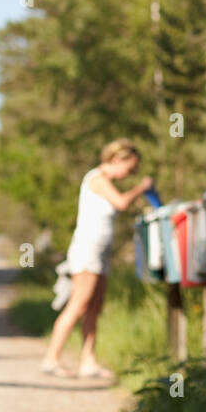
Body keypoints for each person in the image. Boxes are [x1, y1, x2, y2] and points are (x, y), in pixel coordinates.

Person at [40, 139, 153, 380]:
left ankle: (88, 361)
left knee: (95, 307)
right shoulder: (98, 179)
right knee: (78, 304)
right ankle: (51, 358)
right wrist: (142, 187)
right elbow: (121, 202)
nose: (129, 173)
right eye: (129, 168)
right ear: (116, 159)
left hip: (101, 253)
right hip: (87, 251)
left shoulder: (105, 181)